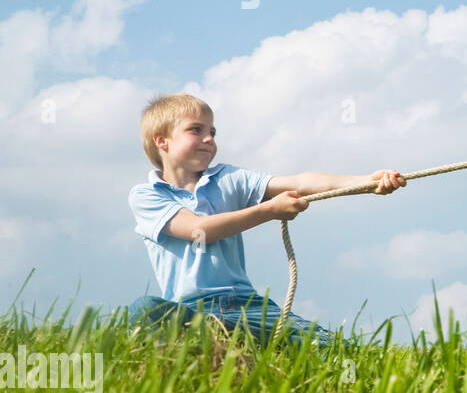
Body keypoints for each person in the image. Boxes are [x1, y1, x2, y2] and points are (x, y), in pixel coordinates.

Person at [126, 93, 407, 346]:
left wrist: (365, 181)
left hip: (251, 308)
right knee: (145, 309)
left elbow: (298, 182)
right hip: (192, 308)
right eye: (195, 130)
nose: (209, 139)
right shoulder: (146, 195)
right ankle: (216, 342)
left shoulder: (227, 178)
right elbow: (198, 229)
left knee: (336, 349)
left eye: (212, 131)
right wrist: (269, 210)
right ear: (162, 140)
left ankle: (235, 340)